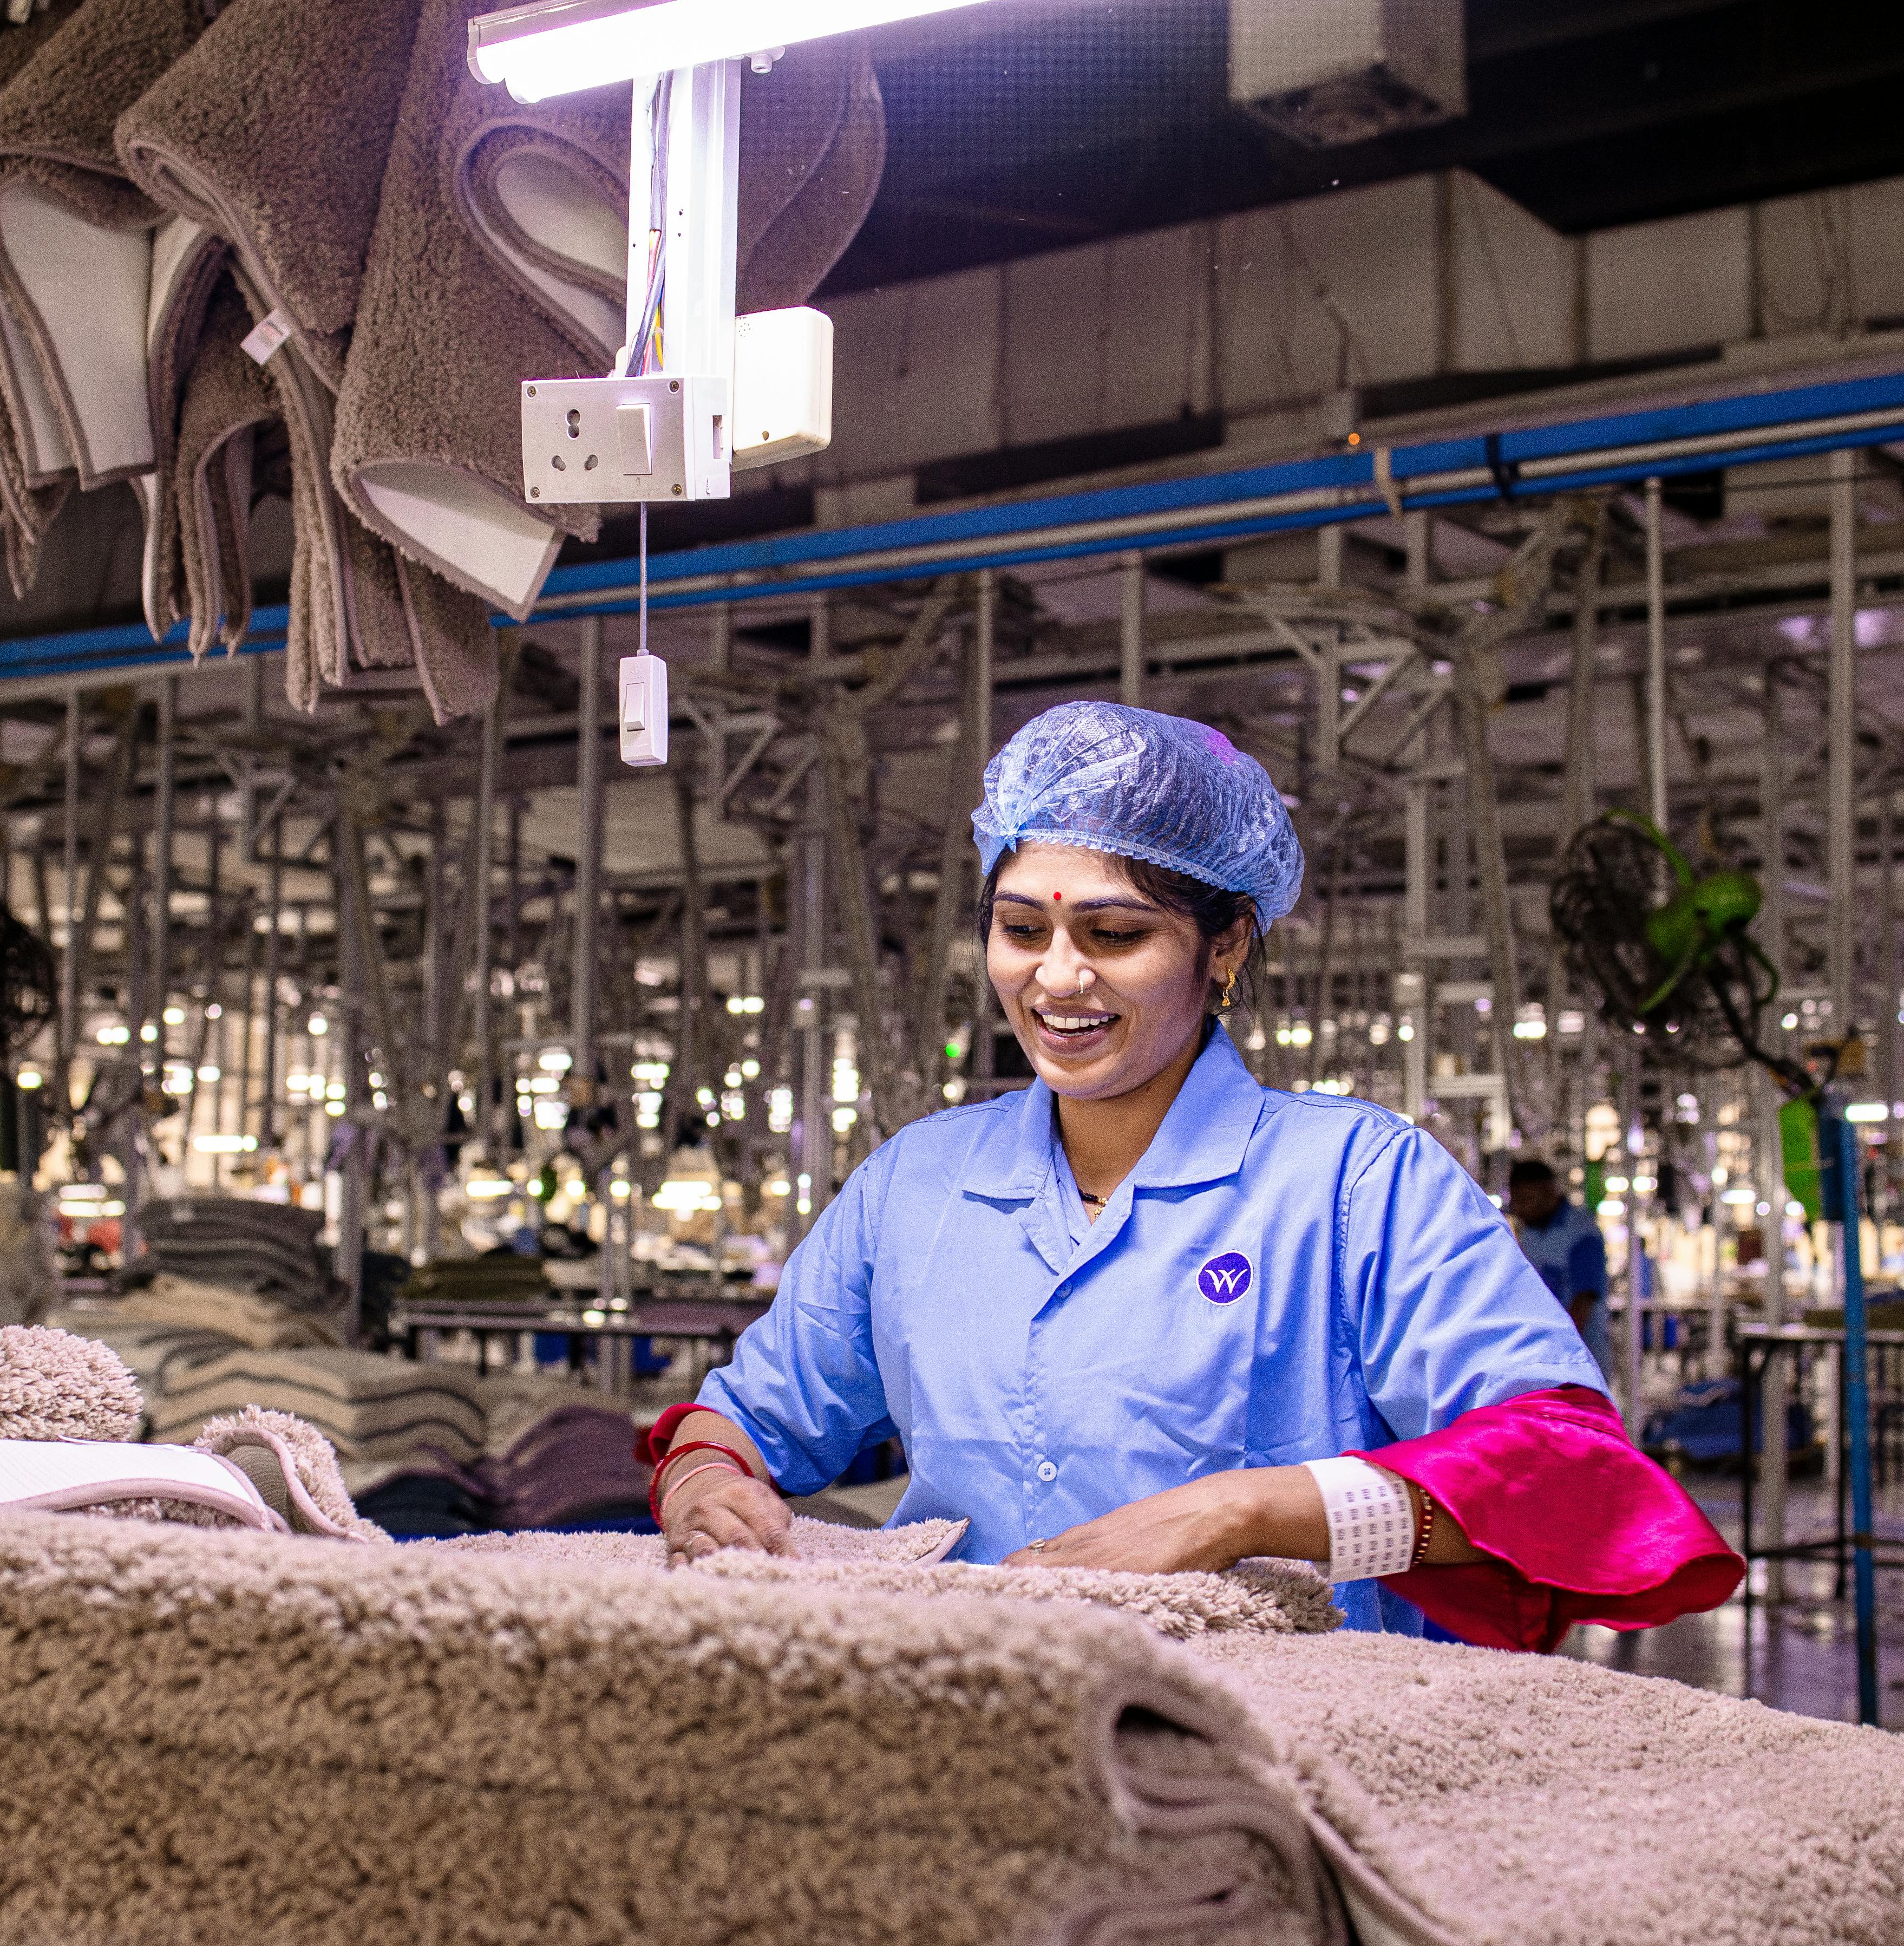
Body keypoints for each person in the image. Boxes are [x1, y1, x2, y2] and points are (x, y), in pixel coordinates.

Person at [643, 702, 1741, 1650]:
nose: (1057, 977)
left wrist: (1245, 1510)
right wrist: (706, 1479)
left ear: (1227, 946)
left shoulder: (1353, 1180)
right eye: (1020, 927)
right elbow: (743, 1417)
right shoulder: (915, 1184)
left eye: (1117, 933)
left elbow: (1560, 1470)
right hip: (974, 1710)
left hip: (1282, 1737)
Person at [1505, 1157, 1608, 1347]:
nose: (1518, 1210)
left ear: (1548, 1192)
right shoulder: (1530, 1233)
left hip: (1577, 1358)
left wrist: (1555, 1348)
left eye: (1525, 1200)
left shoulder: (1582, 1234)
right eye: (1516, 1201)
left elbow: (1582, 1305)